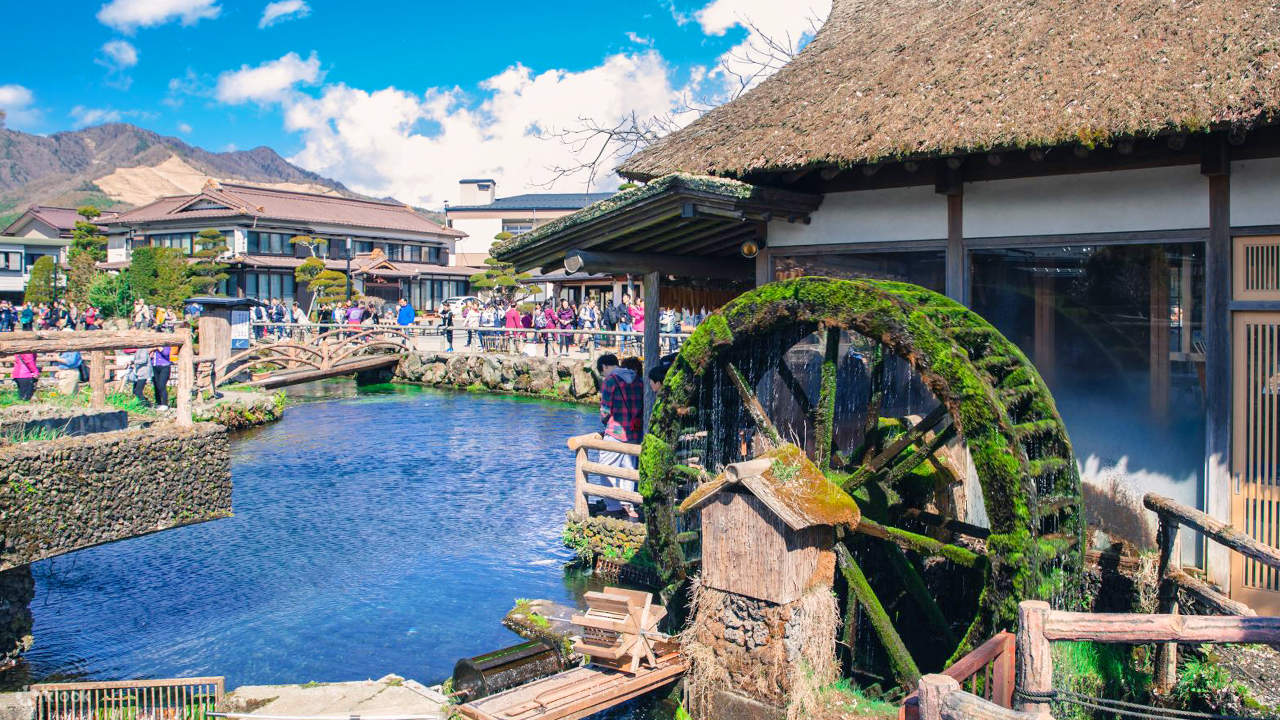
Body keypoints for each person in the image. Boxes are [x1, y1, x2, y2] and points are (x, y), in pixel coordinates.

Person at [595, 353, 644, 518]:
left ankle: (613, 507)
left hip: (615, 432)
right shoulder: (638, 380)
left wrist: (604, 421)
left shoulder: (610, 381)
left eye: (602, 372)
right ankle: (628, 505)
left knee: (606, 469)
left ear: (604, 367)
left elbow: (605, 411)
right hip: (634, 433)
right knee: (628, 470)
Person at [150, 345, 174, 409]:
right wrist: (152, 349)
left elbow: (166, 353)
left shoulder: (166, 345)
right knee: (156, 385)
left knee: (162, 385)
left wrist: (158, 347)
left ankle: (164, 404)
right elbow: (148, 352)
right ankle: (158, 403)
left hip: (164, 366)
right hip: (154, 366)